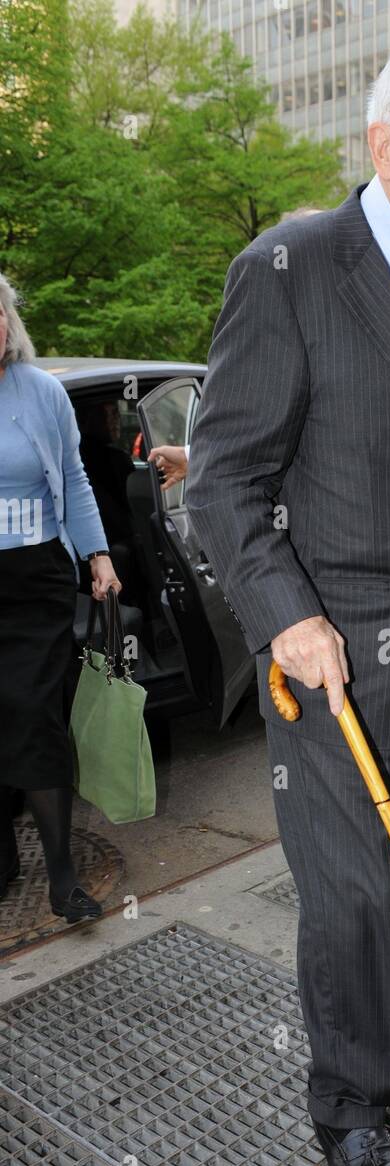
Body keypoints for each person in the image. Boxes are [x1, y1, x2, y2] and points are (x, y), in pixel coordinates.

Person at [183, 36, 390, 1166]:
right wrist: (286, 619)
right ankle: (353, 1101)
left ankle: (378, 987)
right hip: (335, 667)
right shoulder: (291, 269)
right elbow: (221, 479)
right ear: (382, 140)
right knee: (354, 894)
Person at [0, 273, 121, 922]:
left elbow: (73, 477)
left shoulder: (41, 391)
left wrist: (97, 554)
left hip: (36, 578)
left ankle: (63, 879)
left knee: (34, 713)